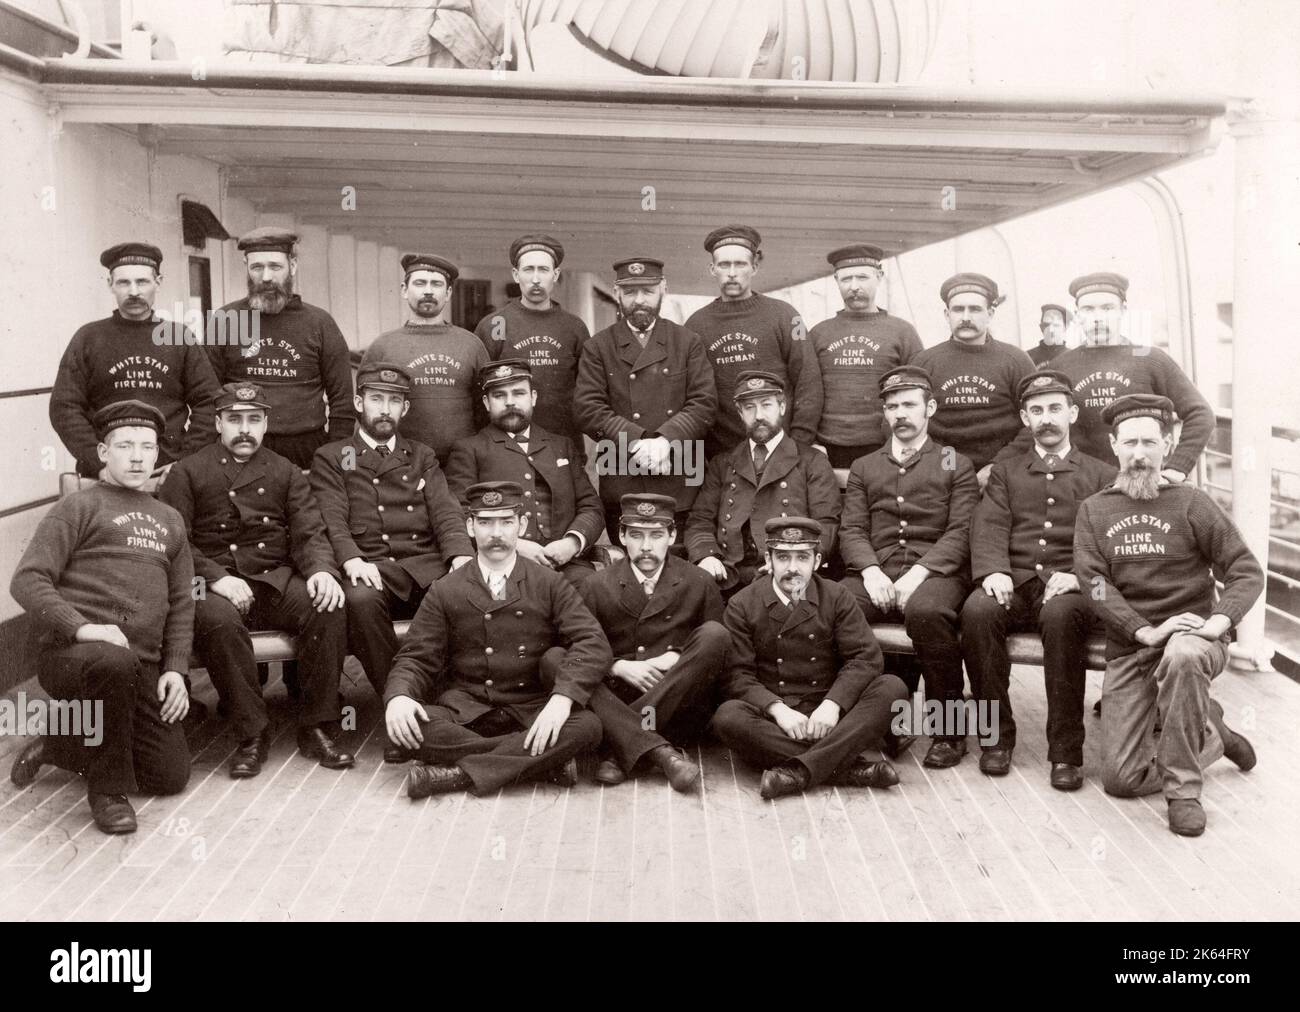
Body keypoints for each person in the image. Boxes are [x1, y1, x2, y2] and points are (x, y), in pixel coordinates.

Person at [1073, 394, 1262, 836]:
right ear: (1113, 445)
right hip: (1134, 644)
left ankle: (1184, 793)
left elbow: (1245, 570)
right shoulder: (1094, 510)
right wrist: (1143, 631)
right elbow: (1095, 583)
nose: (1140, 454)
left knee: (1183, 656)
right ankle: (1212, 733)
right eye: (1130, 443)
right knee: (1121, 779)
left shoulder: (1191, 503)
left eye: (1150, 443)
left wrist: (1217, 624)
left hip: (1193, 637)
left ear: (1168, 444)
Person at [10, 401, 192, 833]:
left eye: (147, 447)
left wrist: (177, 670)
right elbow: (28, 579)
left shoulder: (170, 520)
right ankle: (107, 792)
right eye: (125, 445)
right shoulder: (79, 507)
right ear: (102, 452)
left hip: (140, 663)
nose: (136, 456)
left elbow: (183, 602)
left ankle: (62, 741)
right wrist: (83, 627)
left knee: (169, 776)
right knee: (114, 662)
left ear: (157, 455)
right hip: (74, 655)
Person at [160, 382, 353, 778]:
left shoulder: (284, 471)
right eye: (234, 420)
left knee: (328, 605)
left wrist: (320, 570)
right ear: (218, 423)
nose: (244, 429)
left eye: (253, 420)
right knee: (217, 621)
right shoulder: (187, 472)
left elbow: (309, 531)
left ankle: (316, 724)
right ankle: (253, 733)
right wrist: (215, 577)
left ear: (266, 424)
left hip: (274, 580)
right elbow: (176, 542)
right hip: (216, 583)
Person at [386, 482, 610, 798]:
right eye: (486, 522)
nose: (496, 533)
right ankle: (543, 762)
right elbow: (415, 656)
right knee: (411, 727)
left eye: (506, 521)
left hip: (532, 708)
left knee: (587, 726)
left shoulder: (548, 583)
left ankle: (456, 774)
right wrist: (399, 696)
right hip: (468, 710)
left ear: (522, 525)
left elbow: (592, 640)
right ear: (469, 526)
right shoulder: (446, 589)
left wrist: (561, 699)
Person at [309, 362, 474, 761]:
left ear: (405, 409)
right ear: (359, 402)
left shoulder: (421, 455)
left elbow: (446, 511)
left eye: (394, 401)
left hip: (423, 563)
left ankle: (450, 704)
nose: (385, 409)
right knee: (361, 600)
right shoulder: (337, 456)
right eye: (377, 399)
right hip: (373, 566)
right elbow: (331, 517)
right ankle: (398, 707)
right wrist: (350, 559)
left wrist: (460, 555)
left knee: (462, 591)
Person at [959, 370, 1116, 786]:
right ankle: (995, 740)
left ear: (1072, 413)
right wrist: (993, 570)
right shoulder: (1007, 473)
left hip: (1072, 588)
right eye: (1036, 411)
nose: (1046, 418)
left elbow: (1108, 540)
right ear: (1025, 419)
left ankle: (1065, 754)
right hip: (1016, 581)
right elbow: (989, 525)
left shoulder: (1102, 474)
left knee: (1062, 618)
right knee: (977, 611)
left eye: (1054, 409)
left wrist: (1081, 578)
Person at [838, 365, 979, 768]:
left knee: (928, 611)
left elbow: (961, 530)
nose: (900, 414)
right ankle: (874, 722)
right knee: (837, 606)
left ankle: (948, 732)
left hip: (937, 573)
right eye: (892, 406)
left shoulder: (956, 462)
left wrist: (920, 573)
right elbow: (852, 529)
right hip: (878, 570)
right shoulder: (866, 466)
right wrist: (869, 570)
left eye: (909, 405)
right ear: (883, 413)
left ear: (929, 408)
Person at [712, 517, 907, 800]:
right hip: (777, 719)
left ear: (816, 561)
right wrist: (778, 710)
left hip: (829, 714)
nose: (793, 568)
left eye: (802, 557)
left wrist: (832, 705)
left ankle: (798, 771)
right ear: (768, 559)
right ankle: (849, 767)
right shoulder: (743, 604)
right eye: (783, 557)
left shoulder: (837, 596)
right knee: (727, 717)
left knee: (892, 688)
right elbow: (737, 675)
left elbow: (865, 658)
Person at [578, 493, 729, 791]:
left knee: (716, 635)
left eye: (657, 535)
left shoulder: (699, 581)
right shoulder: (595, 585)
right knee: (555, 658)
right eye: (636, 535)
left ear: (672, 535)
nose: (646, 547)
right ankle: (662, 754)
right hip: (621, 695)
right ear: (621, 535)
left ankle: (622, 748)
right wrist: (618, 667)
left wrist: (678, 657)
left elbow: (721, 658)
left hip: (676, 707)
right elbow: (580, 648)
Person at [574, 256, 717, 539]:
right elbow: (587, 408)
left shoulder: (687, 342)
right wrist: (638, 441)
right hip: (623, 480)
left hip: (680, 479)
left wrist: (666, 441)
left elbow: (704, 403)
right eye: (629, 292)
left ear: (663, 289)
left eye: (648, 291)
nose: (639, 300)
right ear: (616, 293)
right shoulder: (598, 347)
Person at [50, 242, 218, 481]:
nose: (134, 292)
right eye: (123, 282)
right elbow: (64, 407)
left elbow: (210, 403)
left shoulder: (179, 338)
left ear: (158, 282)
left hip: (166, 475)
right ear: (110, 285)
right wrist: (99, 463)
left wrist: (184, 461)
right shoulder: (88, 337)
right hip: (105, 475)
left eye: (142, 281)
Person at [206, 227, 355, 468]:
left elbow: (343, 401)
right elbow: (207, 396)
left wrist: (333, 457)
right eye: (257, 267)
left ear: (292, 266)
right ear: (246, 267)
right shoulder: (225, 319)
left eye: (275, 266)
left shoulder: (320, 323)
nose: (266, 277)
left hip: (305, 450)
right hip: (238, 449)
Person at [446, 359, 604, 585]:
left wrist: (571, 543)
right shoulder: (470, 449)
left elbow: (591, 506)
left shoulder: (561, 446)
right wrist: (514, 545)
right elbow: (459, 513)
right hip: (501, 565)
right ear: (486, 402)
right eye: (499, 395)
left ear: (533, 397)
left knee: (595, 595)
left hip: (565, 566)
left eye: (518, 393)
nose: (510, 402)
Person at [685, 371, 840, 595]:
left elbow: (827, 524)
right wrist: (706, 555)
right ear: (740, 412)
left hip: (787, 577)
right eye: (749, 407)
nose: (758, 415)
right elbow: (699, 520)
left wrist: (791, 563)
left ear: (782, 407)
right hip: (728, 577)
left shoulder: (811, 462)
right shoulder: (723, 463)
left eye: (766, 405)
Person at [1051, 273, 1215, 482]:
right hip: (1082, 486)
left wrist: (1176, 469)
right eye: (1088, 309)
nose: (1098, 317)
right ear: (1077, 314)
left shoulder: (1151, 359)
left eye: (1107, 308)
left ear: (1123, 311)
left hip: (1141, 482)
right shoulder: (1061, 366)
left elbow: (1201, 414)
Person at [685, 225, 822, 457]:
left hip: (781, 449)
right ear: (712, 269)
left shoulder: (786, 315)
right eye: (723, 265)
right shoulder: (695, 325)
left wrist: (798, 443)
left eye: (740, 264)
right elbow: (693, 395)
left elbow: (808, 381)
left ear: (755, 267)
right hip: (722, 456)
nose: (731, 272)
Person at [359, 253, 490, 464]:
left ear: (448, 293)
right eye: (420, 283)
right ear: (404, 290)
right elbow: (364, 410)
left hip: (462, 464)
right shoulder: (382, 346)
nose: (428, 290)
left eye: (436, 284)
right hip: (400, 464)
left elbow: (486, 408)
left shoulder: (471, 344)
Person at [912, 272, 1036, 483]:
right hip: (942, 471)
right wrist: (949, 470)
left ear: (991, 313)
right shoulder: (925, 362)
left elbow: (1034, 421)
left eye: (975, 309)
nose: (966, 317)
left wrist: (996, 467)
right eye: (958, 309)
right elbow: (911, 420)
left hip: (1004, 472)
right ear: (946, 314)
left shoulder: (1016, 360)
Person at [810, 244, 922, 466]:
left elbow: (920, 392)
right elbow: (806, 391)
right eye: (846, 279)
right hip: (827, 448)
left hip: (886, 446)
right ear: (836, 280)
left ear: (879, 276)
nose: (854, 287)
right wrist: (810, 442)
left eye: (862, 277)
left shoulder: (902, 332)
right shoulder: (818, 333)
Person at [474, 234, 589, 451]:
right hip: (506, 445)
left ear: (555, 275)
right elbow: (479, 393)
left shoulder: (574, 327)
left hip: (562, 442)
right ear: (516, 275)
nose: (536, 279)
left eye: (543, 270)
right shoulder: (493, 325)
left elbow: (587, 391)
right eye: (528, 270)